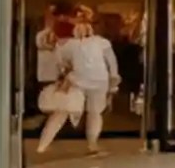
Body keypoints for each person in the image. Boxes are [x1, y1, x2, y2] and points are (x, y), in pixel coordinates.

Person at [37, 22, 120, 156]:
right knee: (91, 113)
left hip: (82, 81)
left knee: (64, 112)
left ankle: (44, 145)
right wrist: (114, 79)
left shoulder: (70, 45)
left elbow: (59, 60)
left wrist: (65, 70)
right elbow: (112, 62)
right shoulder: (99, 43)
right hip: (94, 81)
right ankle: (92, 145)